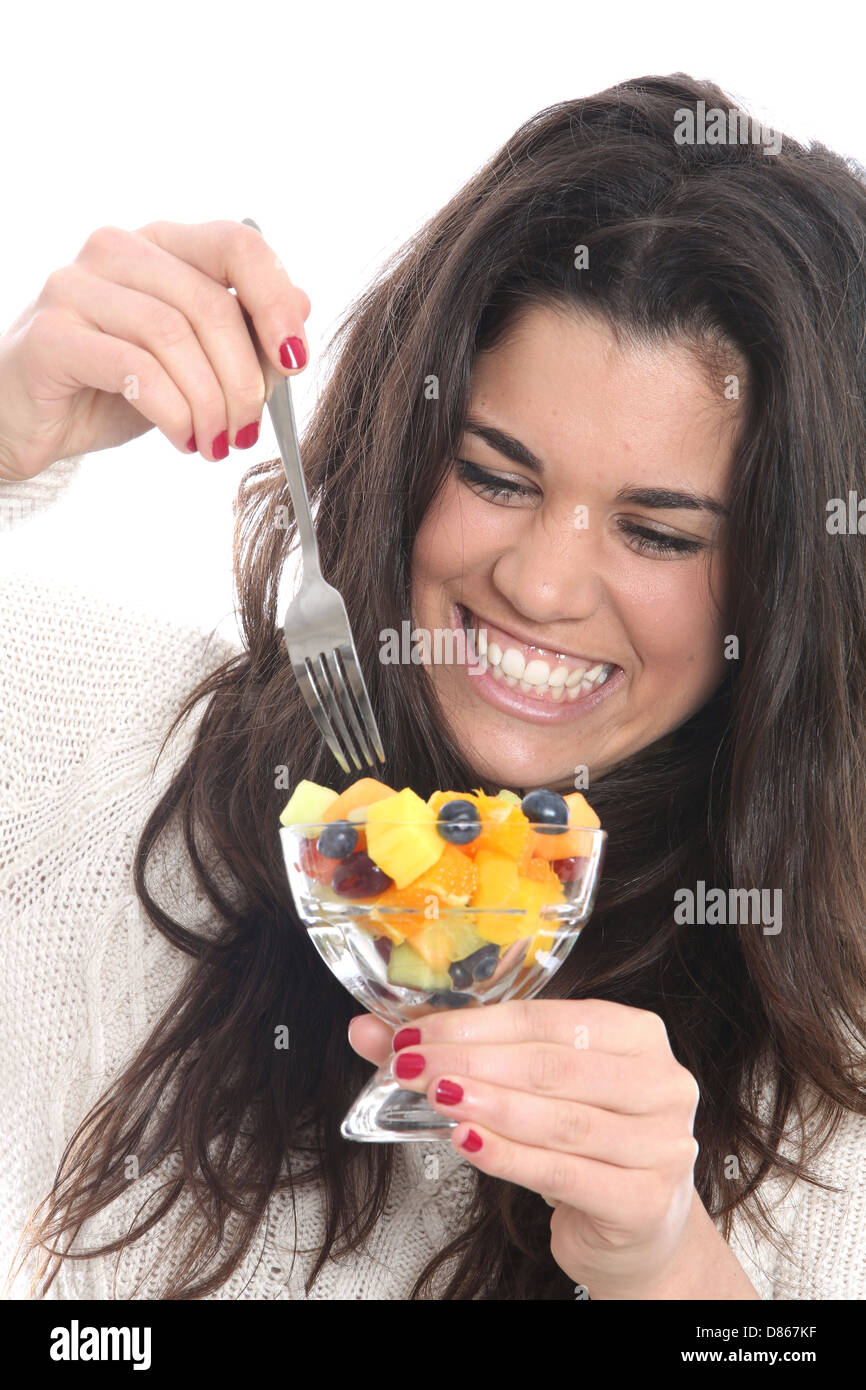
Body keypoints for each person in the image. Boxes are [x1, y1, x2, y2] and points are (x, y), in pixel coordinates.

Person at [2, 71, 865, 1301]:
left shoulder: (830, 1064)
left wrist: (662, 1263)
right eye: (495, 475)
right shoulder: (112, 760)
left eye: (661, 534)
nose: (543, 582)